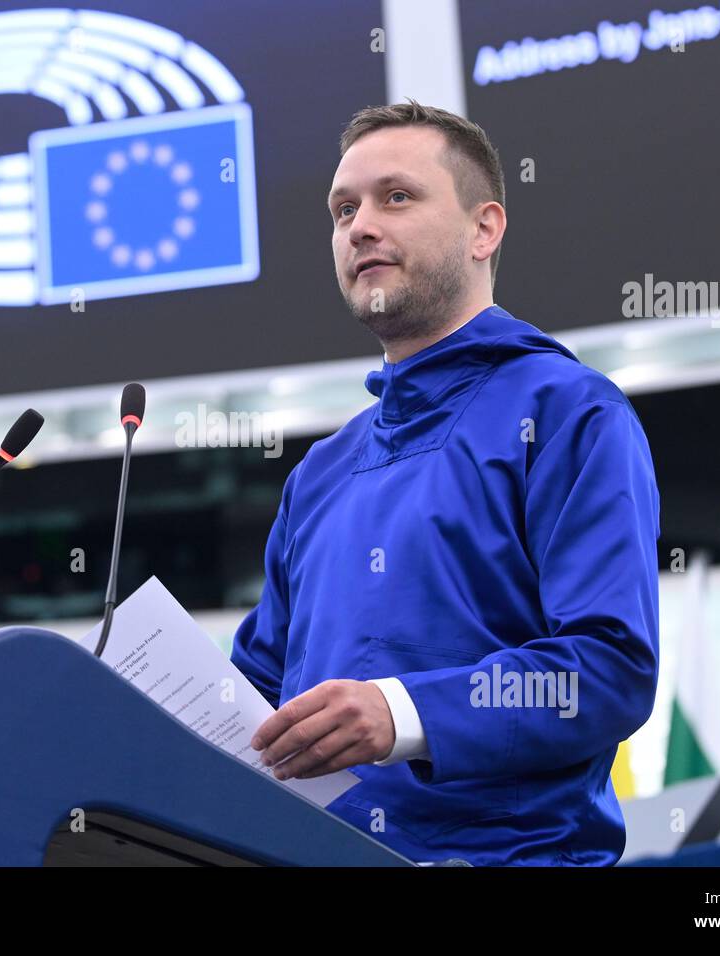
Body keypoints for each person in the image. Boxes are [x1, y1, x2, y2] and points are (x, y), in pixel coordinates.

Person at [231, 100, 661, 865]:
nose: (359, 225)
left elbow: (607, 671)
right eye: (343, 209)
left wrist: (403, 712)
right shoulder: (319, 475)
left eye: (396, 196)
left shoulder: (569, 411)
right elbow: (250, 697)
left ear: (484, 229)